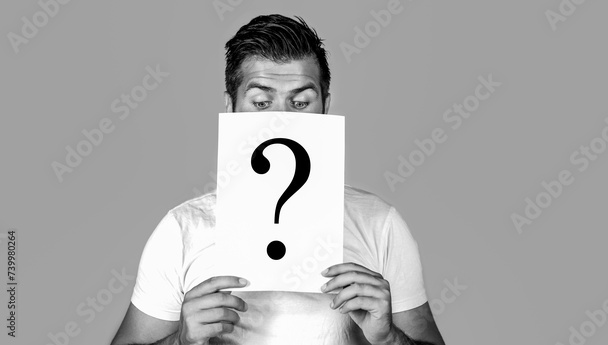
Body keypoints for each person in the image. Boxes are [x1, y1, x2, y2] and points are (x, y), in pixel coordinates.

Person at [110, 14, 445, 345]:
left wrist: (388, 339)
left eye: (300, 102)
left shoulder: (380, 224)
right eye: (261, 102)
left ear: (325, 108)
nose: (281, 120)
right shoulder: (182, 229)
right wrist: (181, 342)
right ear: (231, 108)